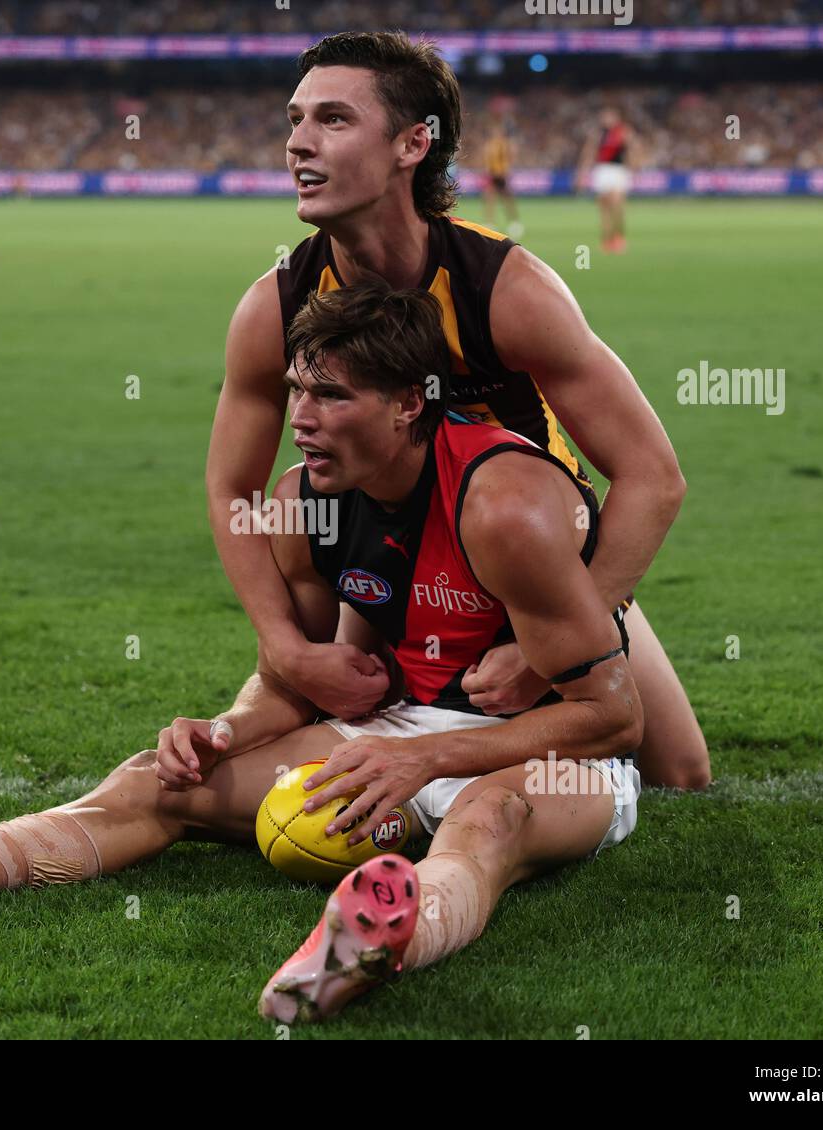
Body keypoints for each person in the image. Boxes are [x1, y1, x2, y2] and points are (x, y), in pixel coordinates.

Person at [0, 282, 643, 1026]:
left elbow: (612, 715)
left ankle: (375, 944)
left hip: (537, 750)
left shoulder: (505, 501)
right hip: (389, 734)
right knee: (164, 778)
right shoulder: (303, 500)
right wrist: (223, 728)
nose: (302, 415)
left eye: (332, 395)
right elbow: (300, 679)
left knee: (491, 818)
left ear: (406, 405)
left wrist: (424, 755)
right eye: (298, 388)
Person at [209, 32, 708, 790]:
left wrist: (557, 647)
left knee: (678, 773)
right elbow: (234, 493)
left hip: (527, 560)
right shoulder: (272, 306)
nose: (298, 144)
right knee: (297, 556)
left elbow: (652, 476)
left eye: (333, 120)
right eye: (294, 120)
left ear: (414, 144)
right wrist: (284, 647)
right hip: (377, 561)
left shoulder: (506, 290)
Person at [575, 105, 637, 254]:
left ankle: (619, 236)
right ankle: (607, 239)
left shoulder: (623, 132)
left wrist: (633, 166)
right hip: (602, 170)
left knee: (617, 205)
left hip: (618, 170)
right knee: (604, 208)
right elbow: (589, 153)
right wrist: (582, 173)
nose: (606, 119)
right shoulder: (598, 134)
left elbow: (633, 149)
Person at [480, 118, 523, 237]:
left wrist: (506, 170)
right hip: (492, 174)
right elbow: (487, 160)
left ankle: (514, 222)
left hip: (501, 173)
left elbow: (509, 157)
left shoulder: (504, 143)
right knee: (489, 198)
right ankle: (490, 223)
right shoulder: (490, 144)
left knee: (507, 199)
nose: (495, 132)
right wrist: (487, 170)